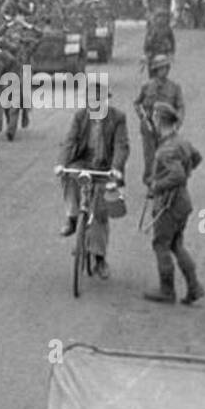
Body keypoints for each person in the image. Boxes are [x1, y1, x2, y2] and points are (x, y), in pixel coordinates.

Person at [58, 92, 129, 279]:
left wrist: (116, 168)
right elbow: (69, 141)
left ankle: (99, 259)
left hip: (105, 166)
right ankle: (73, 217)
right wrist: (61, 164)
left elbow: (122, 146)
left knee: (99, 211)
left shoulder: (118, 118)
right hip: (83, 161)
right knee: (68, 176)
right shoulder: (80, 116)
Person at [143, 103, 203, 305]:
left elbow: (176, 175)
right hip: (183, 202)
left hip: (168, 205)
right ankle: (194, 287)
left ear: (160, 121)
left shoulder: (165, 150)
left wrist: (157, 186)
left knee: (161, 244)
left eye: (154, 119)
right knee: (177, 244)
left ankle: (167, 291)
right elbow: (197, 157)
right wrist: (187, 171)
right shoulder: (182, 142)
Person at [132, 54, 185, 187]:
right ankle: (150, 182)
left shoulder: (174, 87)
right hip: (149, 128)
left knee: (165, 157)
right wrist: (143, 118)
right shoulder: (147, 86)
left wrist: (177, 124)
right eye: (161, 68)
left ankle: (162, 182)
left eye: (166, 68)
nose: (164, 71)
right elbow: (137, 103)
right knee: (150, 157)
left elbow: (180, 107)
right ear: (155, 70)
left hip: (166, 129)